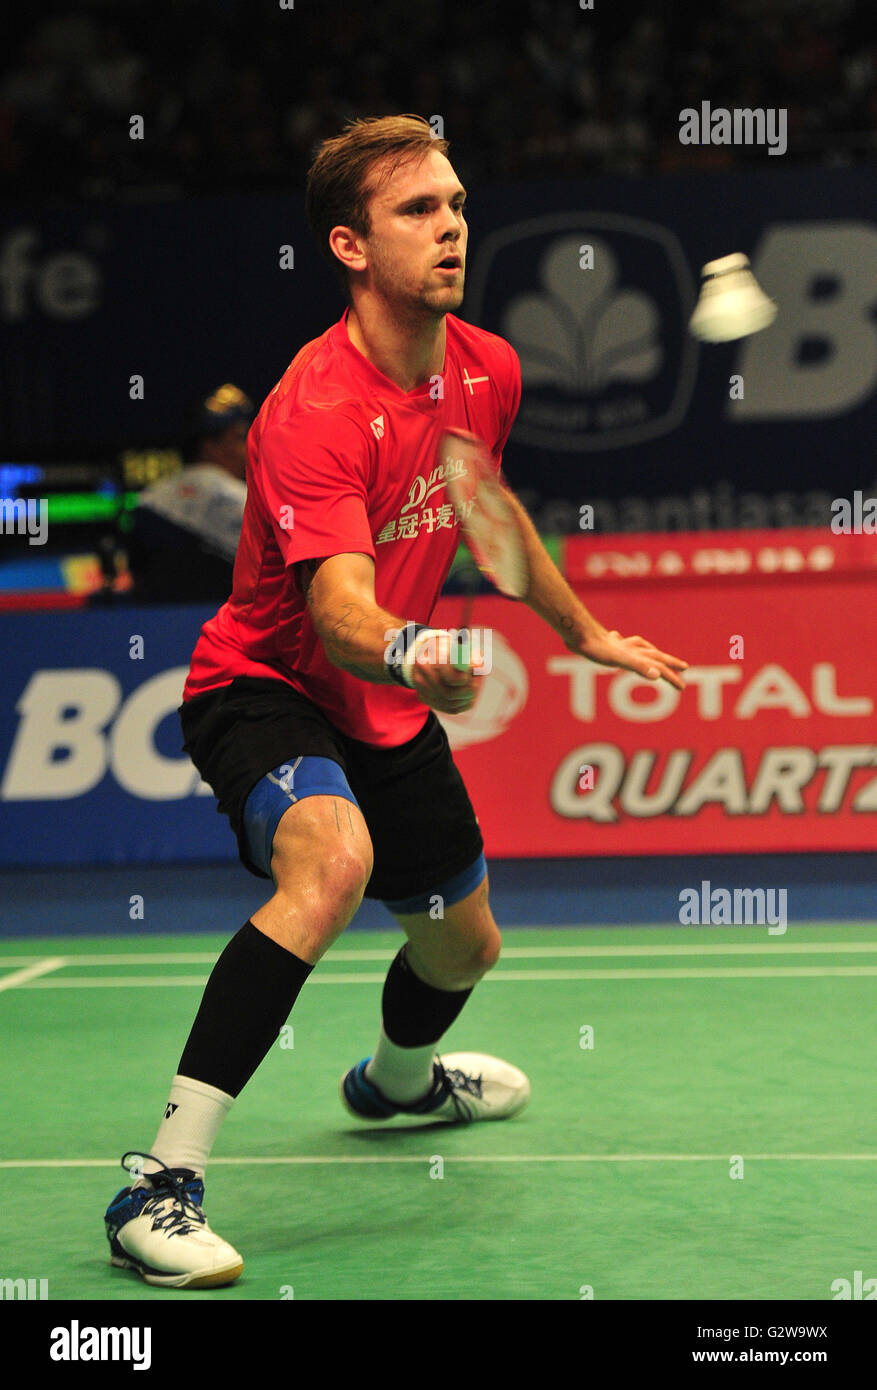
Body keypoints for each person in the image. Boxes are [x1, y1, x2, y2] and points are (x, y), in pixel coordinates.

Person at [104, 114, 688, 1289]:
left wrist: (582, 631)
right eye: (419, 211)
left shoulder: (487, 366)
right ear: (350, 246)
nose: (453, 227)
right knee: (331, 863)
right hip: (265, 685)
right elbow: (338, 615)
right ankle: (157, 1184)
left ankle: (398, 1085)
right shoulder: (314, 408)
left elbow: (483, 506)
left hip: (387, 707)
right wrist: (420, 648)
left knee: (464, 944)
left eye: (458, 205)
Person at [124, 384, 253, 602]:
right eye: (240, 438)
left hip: (157, 627)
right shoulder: (250, 502)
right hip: (229, 626)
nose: (249, 447)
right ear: (209, 445)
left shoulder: (146, 500)